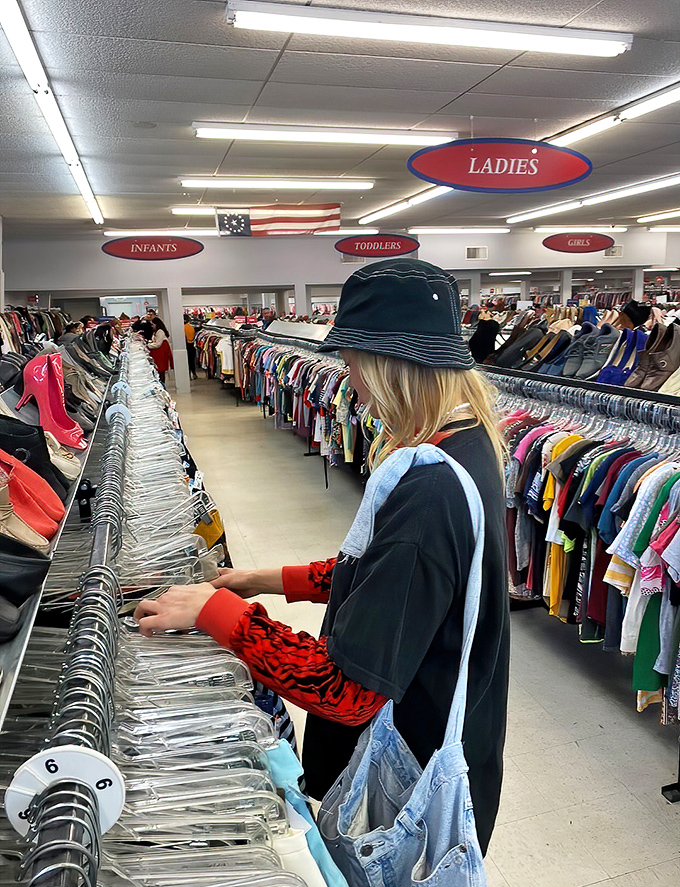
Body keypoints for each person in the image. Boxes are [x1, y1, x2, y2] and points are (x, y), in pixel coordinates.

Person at [134, 259, 510, 854]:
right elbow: (387, 577)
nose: (351, 384)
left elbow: (345, 690)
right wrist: (266, 579)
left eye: (355, 365)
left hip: (407, 776)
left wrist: (220, 616)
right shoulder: (464, 447)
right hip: (443, 740)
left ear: (391, 366)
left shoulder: (428, 491)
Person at [147, 316, 174, 385]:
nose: (152, 326)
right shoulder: (156, 332)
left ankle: (162, 384)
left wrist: (148, 346)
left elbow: (158, 344)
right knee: (160, 368)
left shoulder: (160, 332)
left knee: (160, 368)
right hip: (159, 351)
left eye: (153, 324)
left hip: (161, 352)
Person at [183, 314, 197, 379]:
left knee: (187, 362)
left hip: (185, 345)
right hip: (192, 345)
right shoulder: (191, 327)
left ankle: (188, 375)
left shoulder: (182, 328)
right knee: (192, 361)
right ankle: (194, 373)